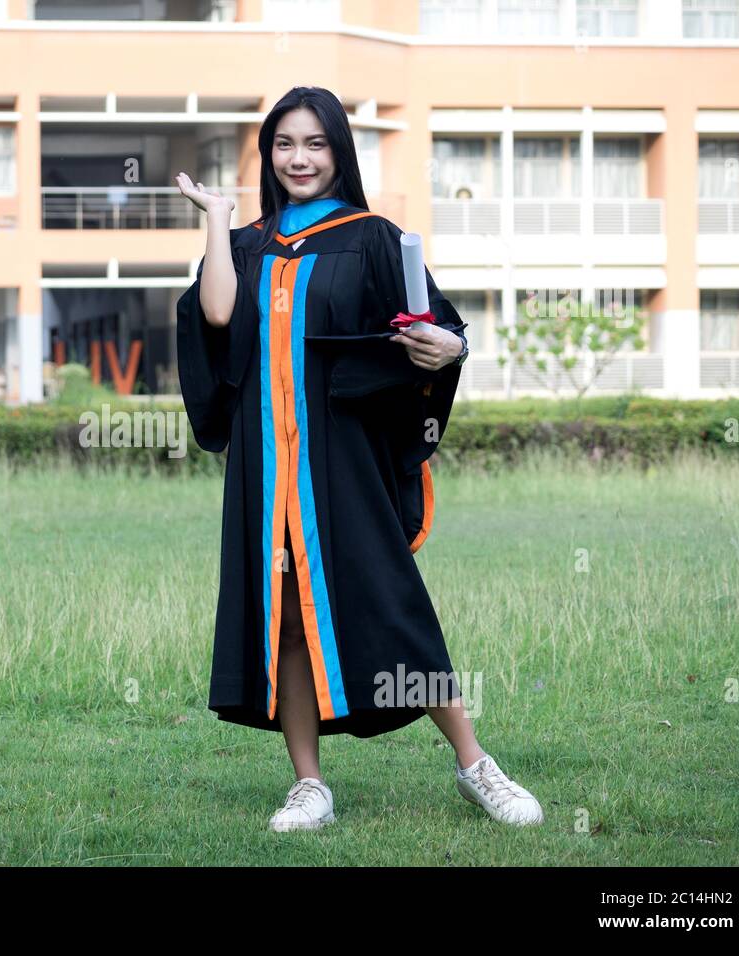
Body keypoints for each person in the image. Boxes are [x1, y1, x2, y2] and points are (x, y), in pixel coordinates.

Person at [174, 86, 543, 831]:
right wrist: (217, 219)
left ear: (338, 151)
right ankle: (309, 784)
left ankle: (476, 765)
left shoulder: (371, 238)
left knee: (392, 603)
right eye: (284, 143)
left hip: (344, 465)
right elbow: (214, 315)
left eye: (315, 143)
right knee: (285, 623)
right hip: (265, 468)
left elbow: (434, 329)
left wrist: (452, 346)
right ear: (266, 153)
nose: (299, 158)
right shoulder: (246, 244)